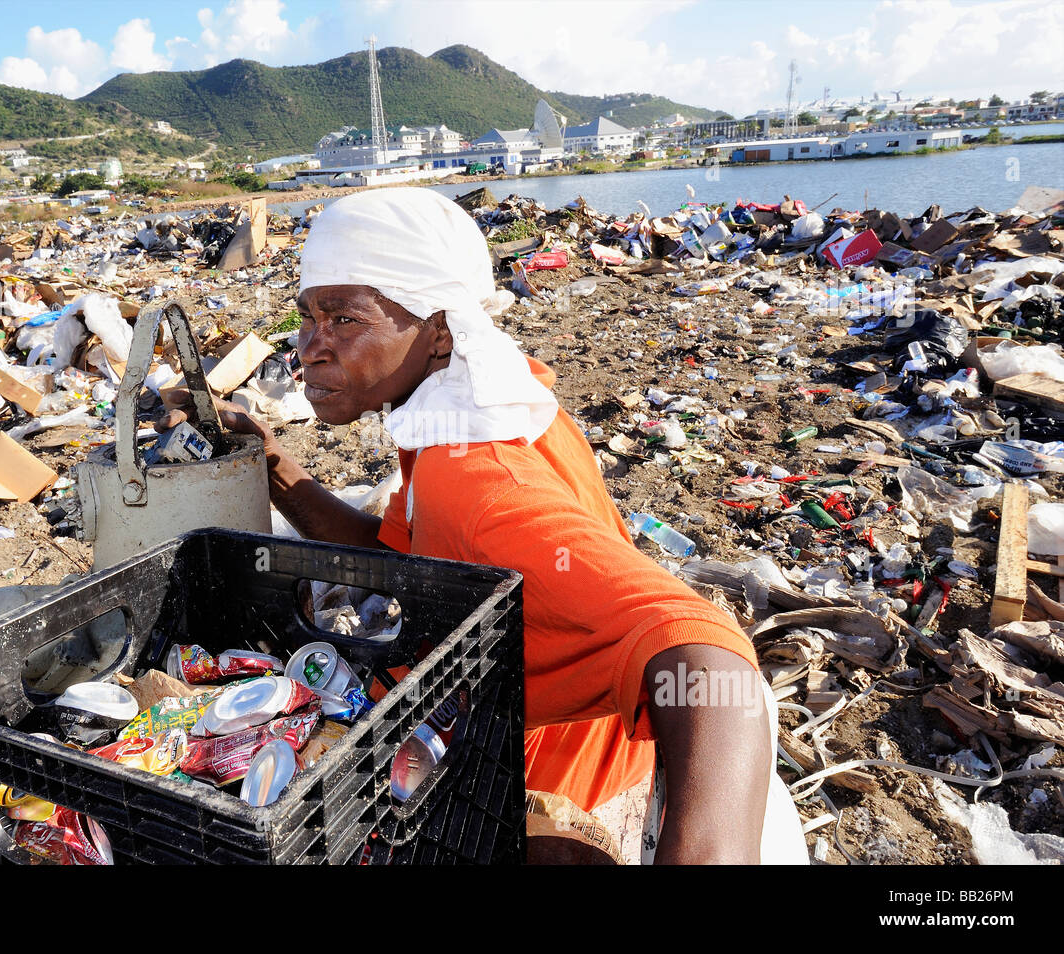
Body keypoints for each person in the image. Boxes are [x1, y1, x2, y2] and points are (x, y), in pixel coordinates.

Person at [220, 188, 806, 864]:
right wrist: (273, 465)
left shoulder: (479, 483)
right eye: (308, 318)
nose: (310, 350)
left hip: (550, 797)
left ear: (439, 331)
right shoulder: (482, 411)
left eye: (345, 319)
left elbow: (712, 665)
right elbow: (403, 563)